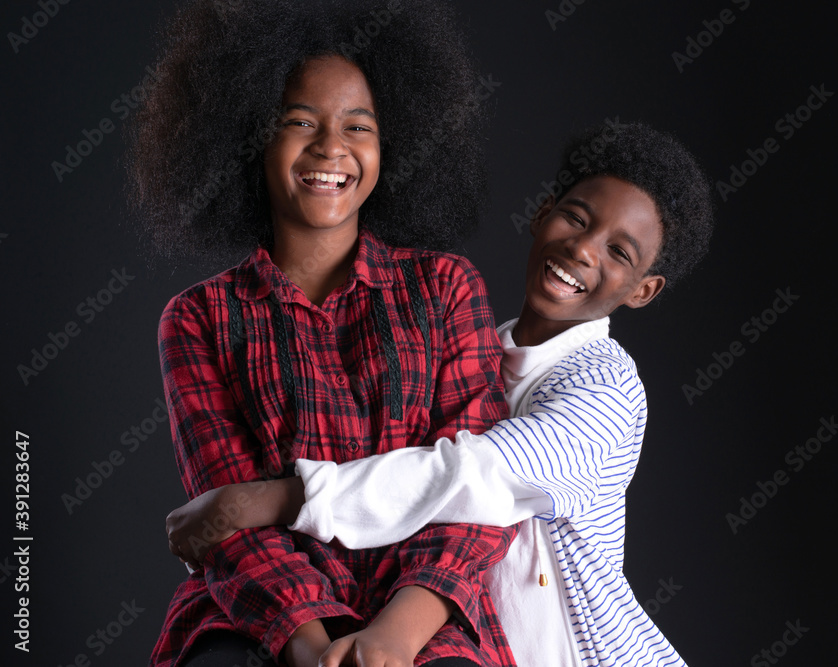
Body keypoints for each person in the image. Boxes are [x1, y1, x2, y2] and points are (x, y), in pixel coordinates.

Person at [167, 122, 714, 666]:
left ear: (644, 290)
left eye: (619, 252)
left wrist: (269, 499)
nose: (584, 249)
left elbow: (474, 476)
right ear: (542, 213)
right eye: (576, 218)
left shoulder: (606, 390)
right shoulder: (479, 348)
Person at [127, 1, 519, 666]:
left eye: (357, 126)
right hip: (264, 615)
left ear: (390, 145)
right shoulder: (198, 318)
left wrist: (393, 638)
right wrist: (312, 651)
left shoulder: (447, 288)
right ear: (250, 138)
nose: (331, 147)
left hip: (423, 614)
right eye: (300, 121)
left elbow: (477, 491)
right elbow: (228, 526)